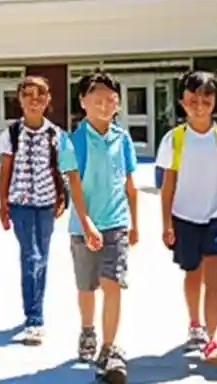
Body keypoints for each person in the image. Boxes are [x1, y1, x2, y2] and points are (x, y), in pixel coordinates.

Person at [155, 71, 217, 365]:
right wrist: (167, 222)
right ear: (183, 102)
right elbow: (167, 184)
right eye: (193, 98)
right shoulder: (175, 139)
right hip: (184, 215)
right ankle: (195, 324)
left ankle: (213, 338)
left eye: (206, 98)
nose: (200, 104)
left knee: (214, 275)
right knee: (192, 272)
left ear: (214, 101)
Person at [59, 70, 138, 384]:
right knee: (87, 287)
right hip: (83, 226)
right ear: (83, 102)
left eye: (111, 99)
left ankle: (109, 349)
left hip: (116, 223)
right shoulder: (73, 140)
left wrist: (135, 222)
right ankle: (88, 330)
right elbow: (74, 186)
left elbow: (130, 183)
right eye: (97, 99)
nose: (105, 105)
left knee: (113, 282)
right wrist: (87, 222)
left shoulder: (123, 138)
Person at [0, 75, 67, 346]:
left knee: (43, 257)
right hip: (21, 204)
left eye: (40, 95)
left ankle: (37, 306)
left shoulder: (56, 134)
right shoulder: (11, 134)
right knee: (31, 256)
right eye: (28, 95)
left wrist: (63, 197)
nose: (34, 100)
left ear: (48, 100)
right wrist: (2, 204)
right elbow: (5, 171)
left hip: (47, 203)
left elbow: (60, 168)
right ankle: (34, 318)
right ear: (20, 100)